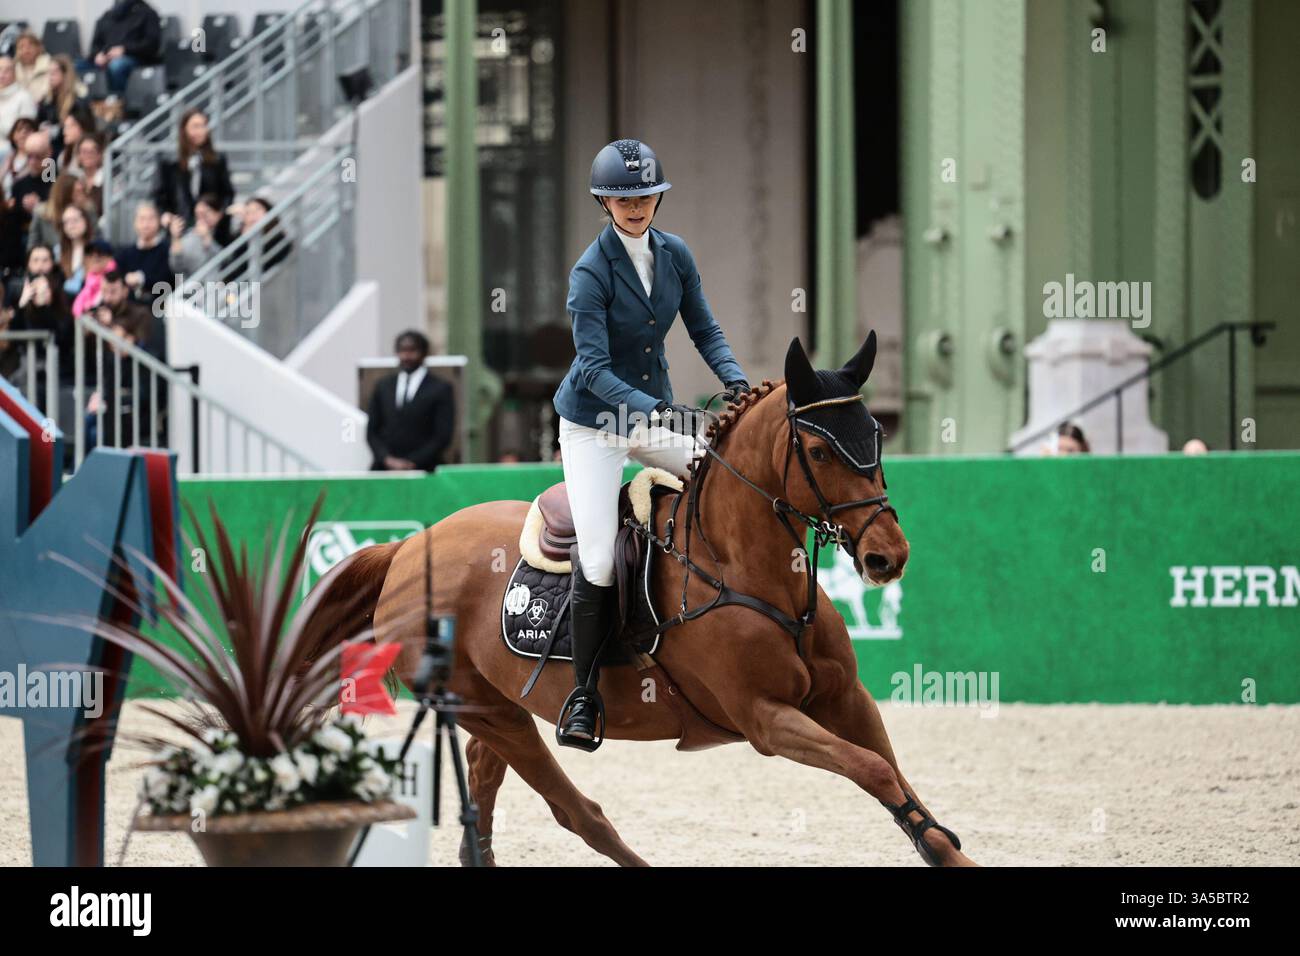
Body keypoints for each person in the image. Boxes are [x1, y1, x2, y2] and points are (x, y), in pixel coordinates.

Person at [550, 138, 749, 748]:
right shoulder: (590, 272)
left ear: (657, 197)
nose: (634, 206)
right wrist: (658, 410)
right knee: (599, 558)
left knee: (727, 479)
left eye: (643, 196)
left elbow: (703, 327)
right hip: (595, 426)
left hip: (651, 414)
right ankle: (583, 697)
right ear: (604, 202)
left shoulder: (675, 253)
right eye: (622, 197)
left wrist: (735, 381)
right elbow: (591, 368)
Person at [366, 330, 455, 472]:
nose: (406, 356)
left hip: (425, 469)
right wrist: (386, 458)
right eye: (402, 350)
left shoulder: (440, 388)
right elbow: (372, 431)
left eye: (412, 350)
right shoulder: (383, 386)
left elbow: (442, 436)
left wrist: (412, 462)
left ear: (424, 353)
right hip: (384, 469)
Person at [153, 108, 234, 226]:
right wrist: (165, 215)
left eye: (203, 126)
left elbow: (228, 193)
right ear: (184, 129)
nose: (201, 131)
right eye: (195, 126)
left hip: (210, 225)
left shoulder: (217, 159)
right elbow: (158, 195)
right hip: (179, 224)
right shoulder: (168, 161)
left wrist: (218, 214)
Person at [88, 0, 163, 95]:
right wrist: (97, 55)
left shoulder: (148, 13)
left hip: (136, 58)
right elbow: (95, 45)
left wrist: (125, 50)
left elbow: (152, 45)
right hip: (105, 58)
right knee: (76, 67)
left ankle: (118, 101)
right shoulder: (107, 16)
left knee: (117, 66)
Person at [166, 193, 234, 275]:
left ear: (219, 214)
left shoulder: (226, 233)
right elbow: (176, 267)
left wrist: (208, 241)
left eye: (206, 213)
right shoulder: (188, 237)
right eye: (199, 214)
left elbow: (227, 262)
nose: (202, 218)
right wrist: (175, 239)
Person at [115, 201, 169, 302]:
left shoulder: (166, 250)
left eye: (151, 219)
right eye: (141, 219)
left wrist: (141, 278)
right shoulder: (125, 254)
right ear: (135, 223)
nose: (146, 224)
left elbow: (166, 281)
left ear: (158, 221)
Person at [0, 56, 37, 154]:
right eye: (0, 70)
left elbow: (26, 133)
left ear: (14, 74)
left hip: (11, 150)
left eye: (7, 71)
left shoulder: (24, 97)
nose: (2, 75)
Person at [71, 236, 115, 316]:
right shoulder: (89, 279)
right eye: (90, 254)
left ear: (109, 258)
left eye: (99, 255)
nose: (94, 258)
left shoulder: (113, 280)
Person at [57, 201, 93, 296]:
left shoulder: (96, 249)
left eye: (75, 220)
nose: (71, 226)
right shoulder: (58, 251)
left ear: (85, 221)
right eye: (66, 222)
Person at [13, 33, 51, 104]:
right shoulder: (12, 71)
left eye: (29, 46)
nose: (25, 51)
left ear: (39, 48)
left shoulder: (50, 67)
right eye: (21, 47)